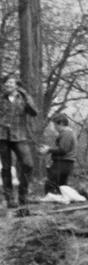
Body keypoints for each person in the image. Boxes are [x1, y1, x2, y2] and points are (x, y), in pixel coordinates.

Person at [0, 73, 40, 207]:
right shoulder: (1, 99)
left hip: (20, 136)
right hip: (2, 136)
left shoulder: (23, 98)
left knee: (28, 164)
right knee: (6, 168)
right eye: (6, 83)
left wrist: (26, 95)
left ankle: (23, 195)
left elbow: (34, 112)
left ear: (16, 85)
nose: (7, 85)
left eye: (10, 83)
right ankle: (9, 198)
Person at [43, 113, 76, 194]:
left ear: (61, 123)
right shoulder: (66, 133)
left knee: (51, 183)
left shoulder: (67, 133)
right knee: (62, 186)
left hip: (63, 163)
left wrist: (49, 149)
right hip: (65, 163)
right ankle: (61, 199)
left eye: (55, 125)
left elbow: (63, 150)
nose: (54, 127)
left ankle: (50, 199)